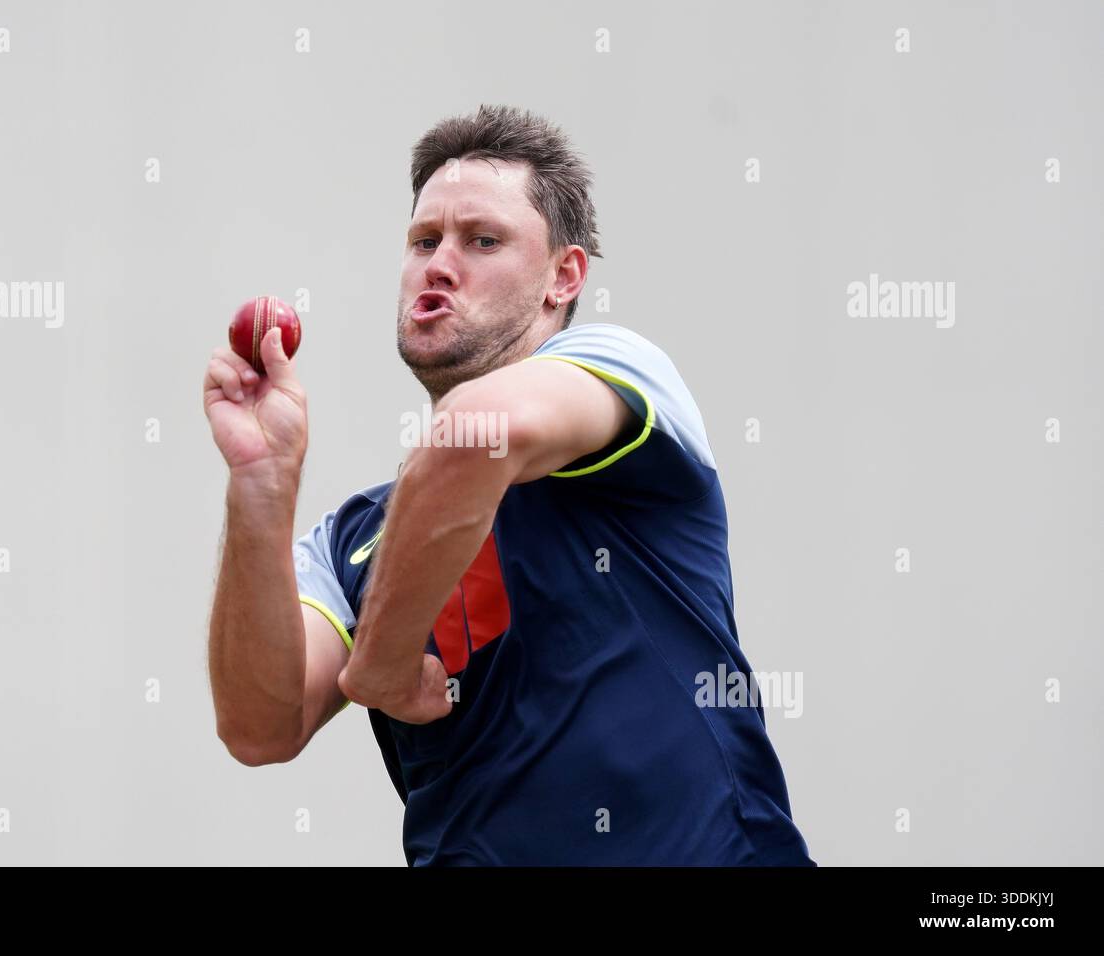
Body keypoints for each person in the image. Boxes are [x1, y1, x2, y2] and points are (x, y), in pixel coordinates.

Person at [203, 104, 815, 866]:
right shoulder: (352, 538)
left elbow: (475, 440)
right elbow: (261, 727)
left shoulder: (622, 373)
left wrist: (383, 665)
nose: (439, 263)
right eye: (423, 241)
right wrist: (260, 488)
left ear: (564, 276)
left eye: (482, 240)